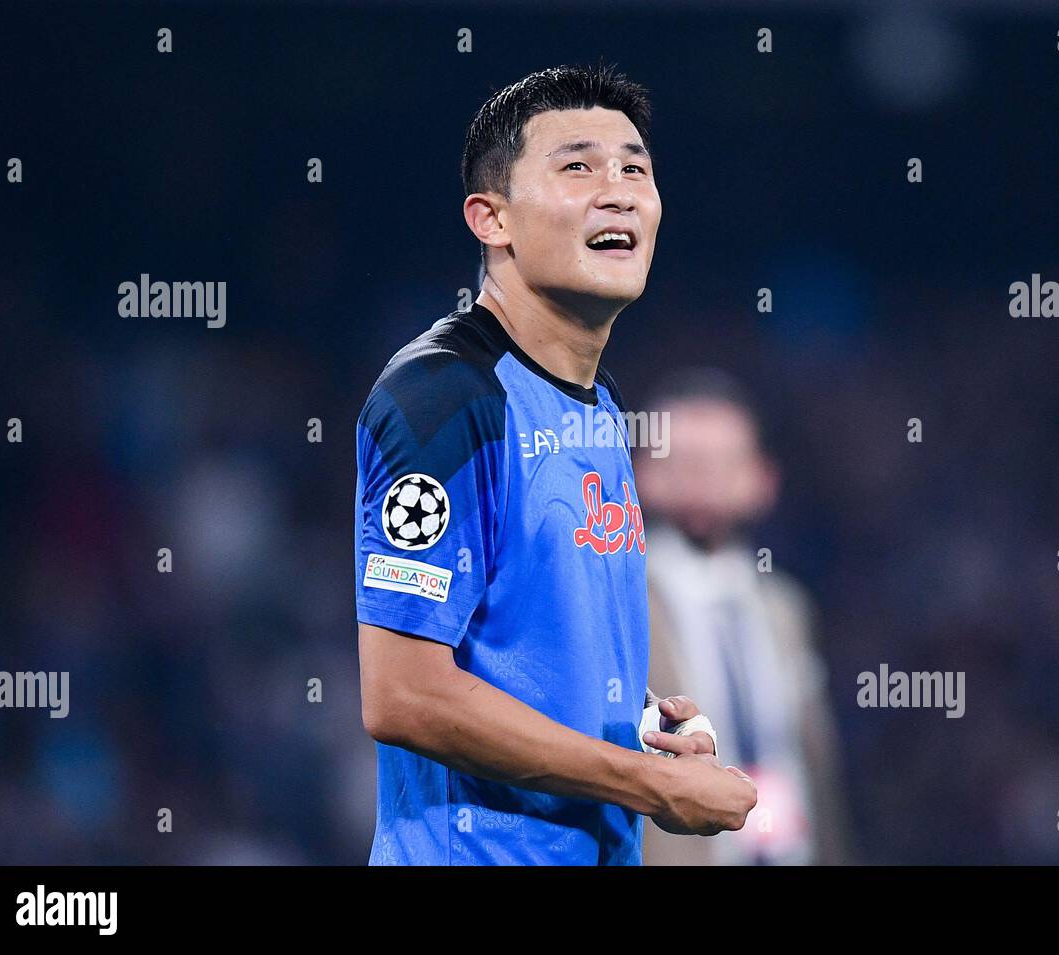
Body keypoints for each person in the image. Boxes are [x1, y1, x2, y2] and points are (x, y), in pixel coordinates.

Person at [354, 64, 756, 865]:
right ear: (491, 217)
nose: (619, 190)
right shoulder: (446, 398)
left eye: (635, 168)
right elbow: (404, 693)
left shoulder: (598, 404)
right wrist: (644, 784)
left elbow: (512, 651)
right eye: (578, 166)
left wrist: (638, 724)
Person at [638, 370, 854, 865]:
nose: (703, 476)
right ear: (642, 471)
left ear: (762, 478)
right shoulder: (621, 600)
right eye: (685, 460)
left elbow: (813, 762)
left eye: (723, 461)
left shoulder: (784, 608)